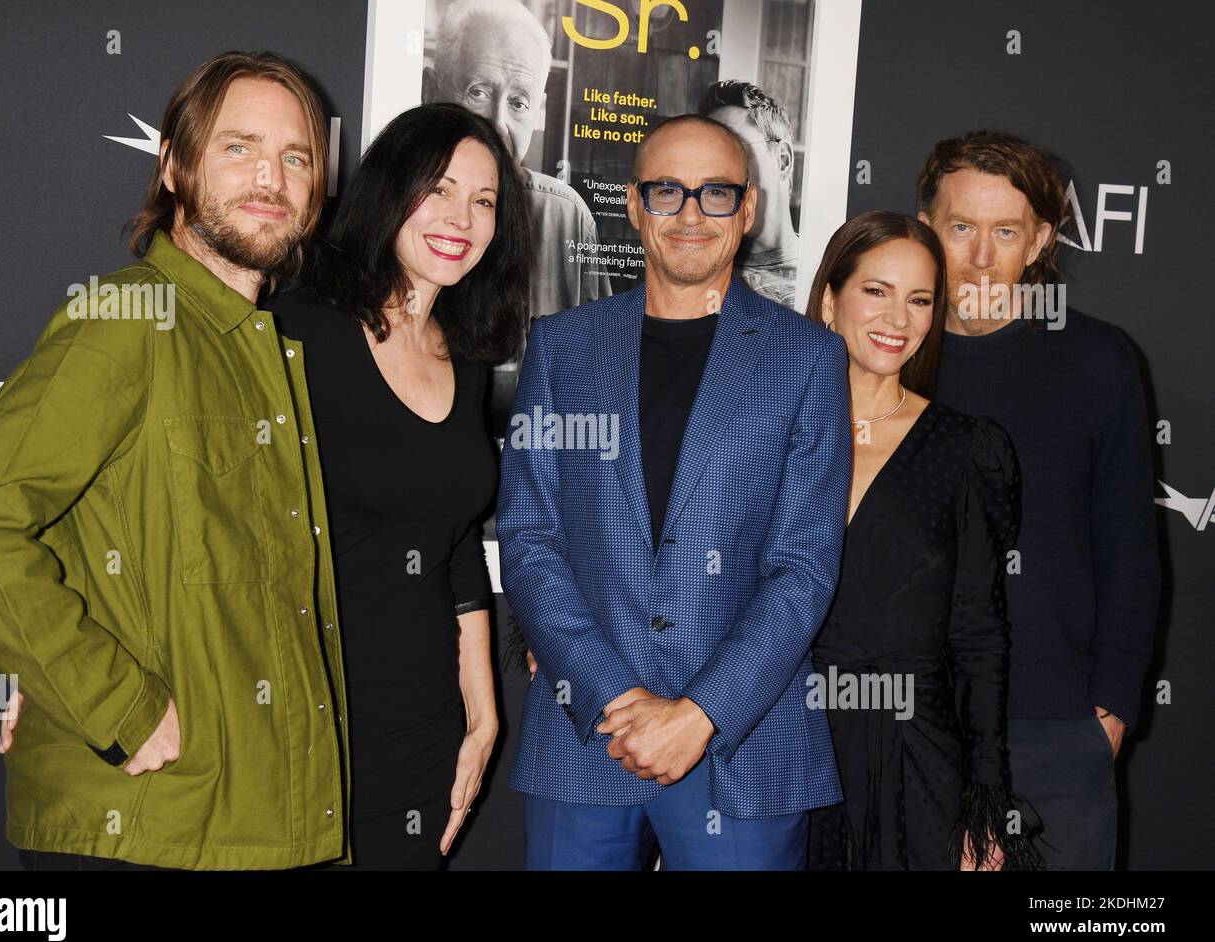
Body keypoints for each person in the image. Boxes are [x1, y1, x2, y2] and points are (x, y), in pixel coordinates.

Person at [0, 52, 352, 870]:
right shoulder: (128, 317)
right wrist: (115, 704)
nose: (272, 176)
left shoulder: (258, 350)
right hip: (143, 829)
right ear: (175, 167)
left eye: (296, 157)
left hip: (242, 824)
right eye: (238, 148)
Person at [498, 114, 850, 870]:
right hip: (585, 735)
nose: (691, 215)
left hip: (743, 742)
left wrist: (699, 714)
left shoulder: (809, 359)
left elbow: (803, 568)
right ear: (634, 205)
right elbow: (530, 539)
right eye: (667, 191)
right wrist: (610, 696)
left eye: (715, 193)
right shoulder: (562, 347)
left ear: (747, 208)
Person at [263, 103, 532, 869]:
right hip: (298, 711)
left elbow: (450, 542)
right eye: (439, 190)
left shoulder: (468, 353)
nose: (464, 218)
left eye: (484, 201)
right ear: (389, 192)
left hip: (420, 723)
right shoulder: (297, 329)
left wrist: (482, 713)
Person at [917, 131, 1160, 870]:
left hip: (1056, 731)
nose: (981, 257)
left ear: (1042, 239)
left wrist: (1109, 714)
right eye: (961, 228)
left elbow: (1130, 550)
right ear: (926, 225)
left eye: (1005, 232)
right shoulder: (883, 352)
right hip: (908, 723)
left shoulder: (1099, 360)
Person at [802, 210, 1042, 871]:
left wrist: (983, 797)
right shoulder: (768, 432)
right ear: (830, 298)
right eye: (877, 291)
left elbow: (979, 633)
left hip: (915, 759)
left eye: (919, 300)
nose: (898, 319)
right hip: (782, 746)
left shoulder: (966, 449)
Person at [423, 0, 611, 430]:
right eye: (479, 92)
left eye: (519, 102)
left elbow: (599, 386)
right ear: (432, 88)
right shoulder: (393, 203)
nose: (496, 122)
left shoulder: (567, 219)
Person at [700, 80, 800, 307]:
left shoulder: (832, 272)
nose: (715, 171)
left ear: (783, 160)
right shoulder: (695, 278)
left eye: (734, 148)